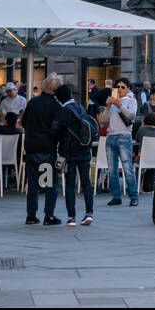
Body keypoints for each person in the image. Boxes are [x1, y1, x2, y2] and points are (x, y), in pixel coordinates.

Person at [21, 72, 62, 225]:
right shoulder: (56, 106)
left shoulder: (32, 102)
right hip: (47, 149)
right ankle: (48, 214)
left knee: (33, 183)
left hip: (31, 147)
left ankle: (31, 215)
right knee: (50, 183)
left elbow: (24, 122)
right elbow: (57, 129)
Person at [53, 83, 95, 226]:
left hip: (69, 151)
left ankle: (72, 217)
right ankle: (89, 213)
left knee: (70, 184)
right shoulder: (80, 107)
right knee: (86, 182)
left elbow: (55, 130)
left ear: (58, 99)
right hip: (84, 150)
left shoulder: (63, 111)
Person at [103, 76, 140, 207]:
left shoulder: (131, 100)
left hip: (124, 136)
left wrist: (120, 105)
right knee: (112, 170)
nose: (119, 89)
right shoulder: (112, 102)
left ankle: (134, 196)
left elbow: (132, 115)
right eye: (117, 87)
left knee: (127, 167)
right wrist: (108, 107)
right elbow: (104, 120)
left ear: (128, 89)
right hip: (111, 136)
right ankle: (116, 196)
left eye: (122, 87)